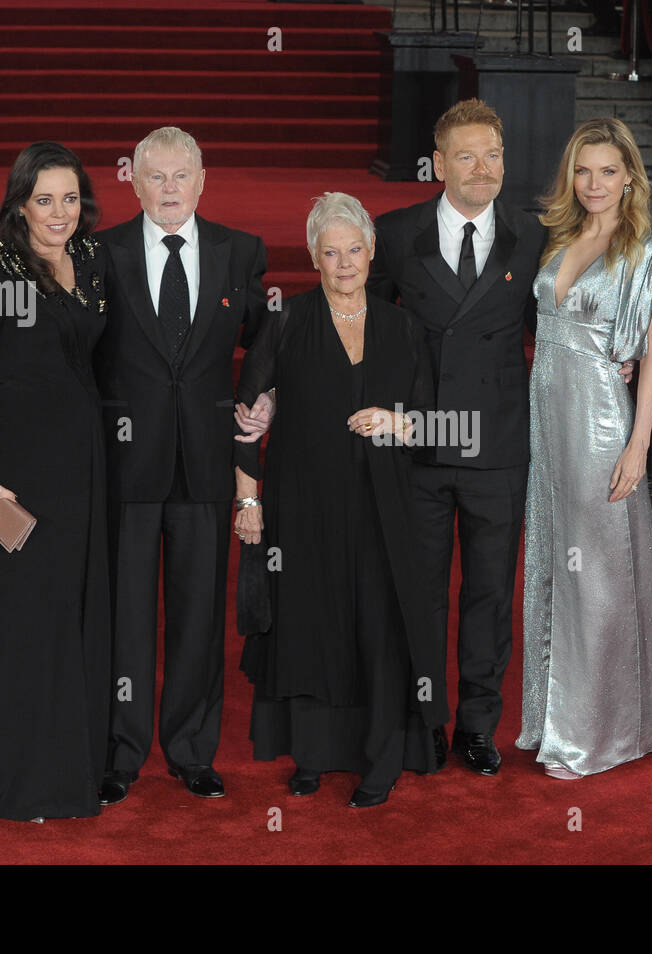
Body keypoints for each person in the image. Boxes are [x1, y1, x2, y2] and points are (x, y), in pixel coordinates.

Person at [233, 193, 446, 808]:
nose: (345, 262)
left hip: (385, 508)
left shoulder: (403, 326)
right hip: (302, 507)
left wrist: (399, 423)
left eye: (355, 249)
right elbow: (245, 420)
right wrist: (248, 505)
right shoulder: (288, 320)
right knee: (309, 623)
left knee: (378, 630)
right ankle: (313, 756)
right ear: (313, 257)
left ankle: (380, 759)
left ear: (372, 252)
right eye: (332, 252)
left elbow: (433, 421)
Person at [0, 141, 110, 826]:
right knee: (13, 620)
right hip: (16, 473)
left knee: (68, 616)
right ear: (19, 203)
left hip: (84, 465)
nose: (58, 213)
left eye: (69, 198)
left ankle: (59, 782)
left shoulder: (94, 259)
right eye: (44, 200)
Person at [366, 100, 545, 777]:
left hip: (498, 449)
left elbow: (550, 328)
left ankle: (477, 725)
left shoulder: (531, 238)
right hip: (419, 446)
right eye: (466, 156)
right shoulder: (395, 232)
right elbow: (366, 331)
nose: (482, 169)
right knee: (419, 591)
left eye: (493, 154)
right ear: (438, 164)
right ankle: (421, 719)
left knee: (489, 594)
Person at [92, 127, 269, 806]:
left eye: (180, 176)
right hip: (125, 467)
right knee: (125, 618)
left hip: (204, 464)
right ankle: (120, 750)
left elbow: (264, 340)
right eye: (154, 177)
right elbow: (73, 342)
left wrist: (264, 399)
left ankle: (192, 750)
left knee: (199, 618)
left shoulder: (239, 252)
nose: (168, 190)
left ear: (202, 180)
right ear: (132, 182)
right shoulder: (101, 253)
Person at [518, 119, 652, 779]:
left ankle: (600, 730)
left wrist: (639, 444)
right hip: (545, 420)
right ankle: (553, 718)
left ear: (629, 178)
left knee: (601, 573)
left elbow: (649, 358)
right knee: (553, 566)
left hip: (598, 423)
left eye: (607, 172)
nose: (594, 184)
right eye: (583, 171)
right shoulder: (559, 236)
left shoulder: (647, 249)